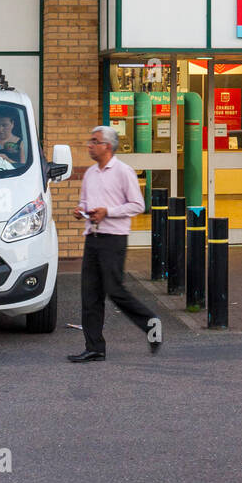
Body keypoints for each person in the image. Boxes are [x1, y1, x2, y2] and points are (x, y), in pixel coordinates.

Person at [67, 125, 161, 363]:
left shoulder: (123, 171)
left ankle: (152, 323)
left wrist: (108, 212)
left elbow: (137, 205)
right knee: (90, 295)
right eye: (90, 141)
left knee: (115, 291)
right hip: (92, 238)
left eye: (94, 141)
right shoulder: (90, 173)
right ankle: (94, 347)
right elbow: (86, 201)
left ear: (107, 146)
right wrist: (81, 210)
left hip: (113, 239)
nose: (89, 145)